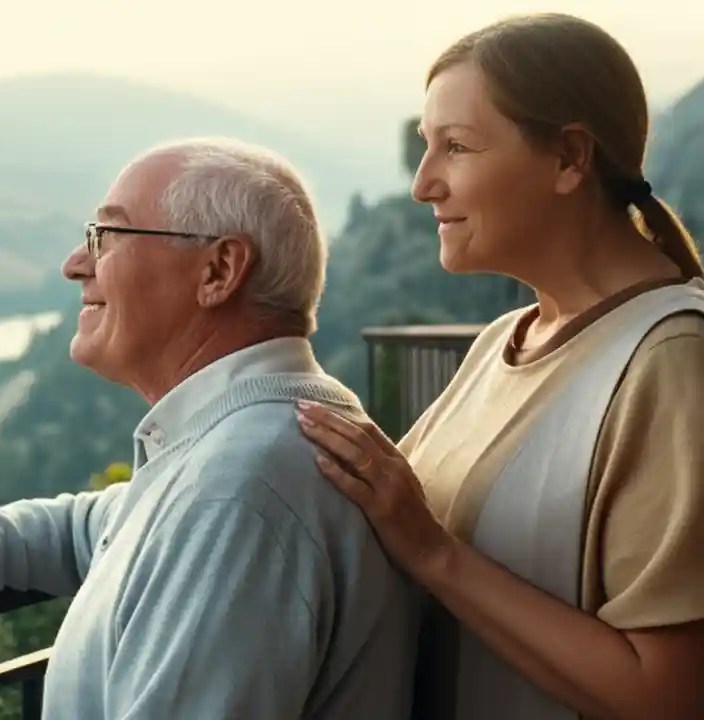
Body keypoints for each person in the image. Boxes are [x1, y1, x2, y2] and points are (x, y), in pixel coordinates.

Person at [0, 138, 420, 718]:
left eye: (107, 236)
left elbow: (198, 522)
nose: (76, 263)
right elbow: (102, 526)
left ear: (218, 271)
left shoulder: (238, 489)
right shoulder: (248, 440)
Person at [295, 13, 704, 720]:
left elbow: (666, 695)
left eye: (456, 147)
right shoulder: (502, 341)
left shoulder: (671, 364)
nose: (424, 184)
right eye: (428, 147)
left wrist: (437, 556)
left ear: (570, 158)